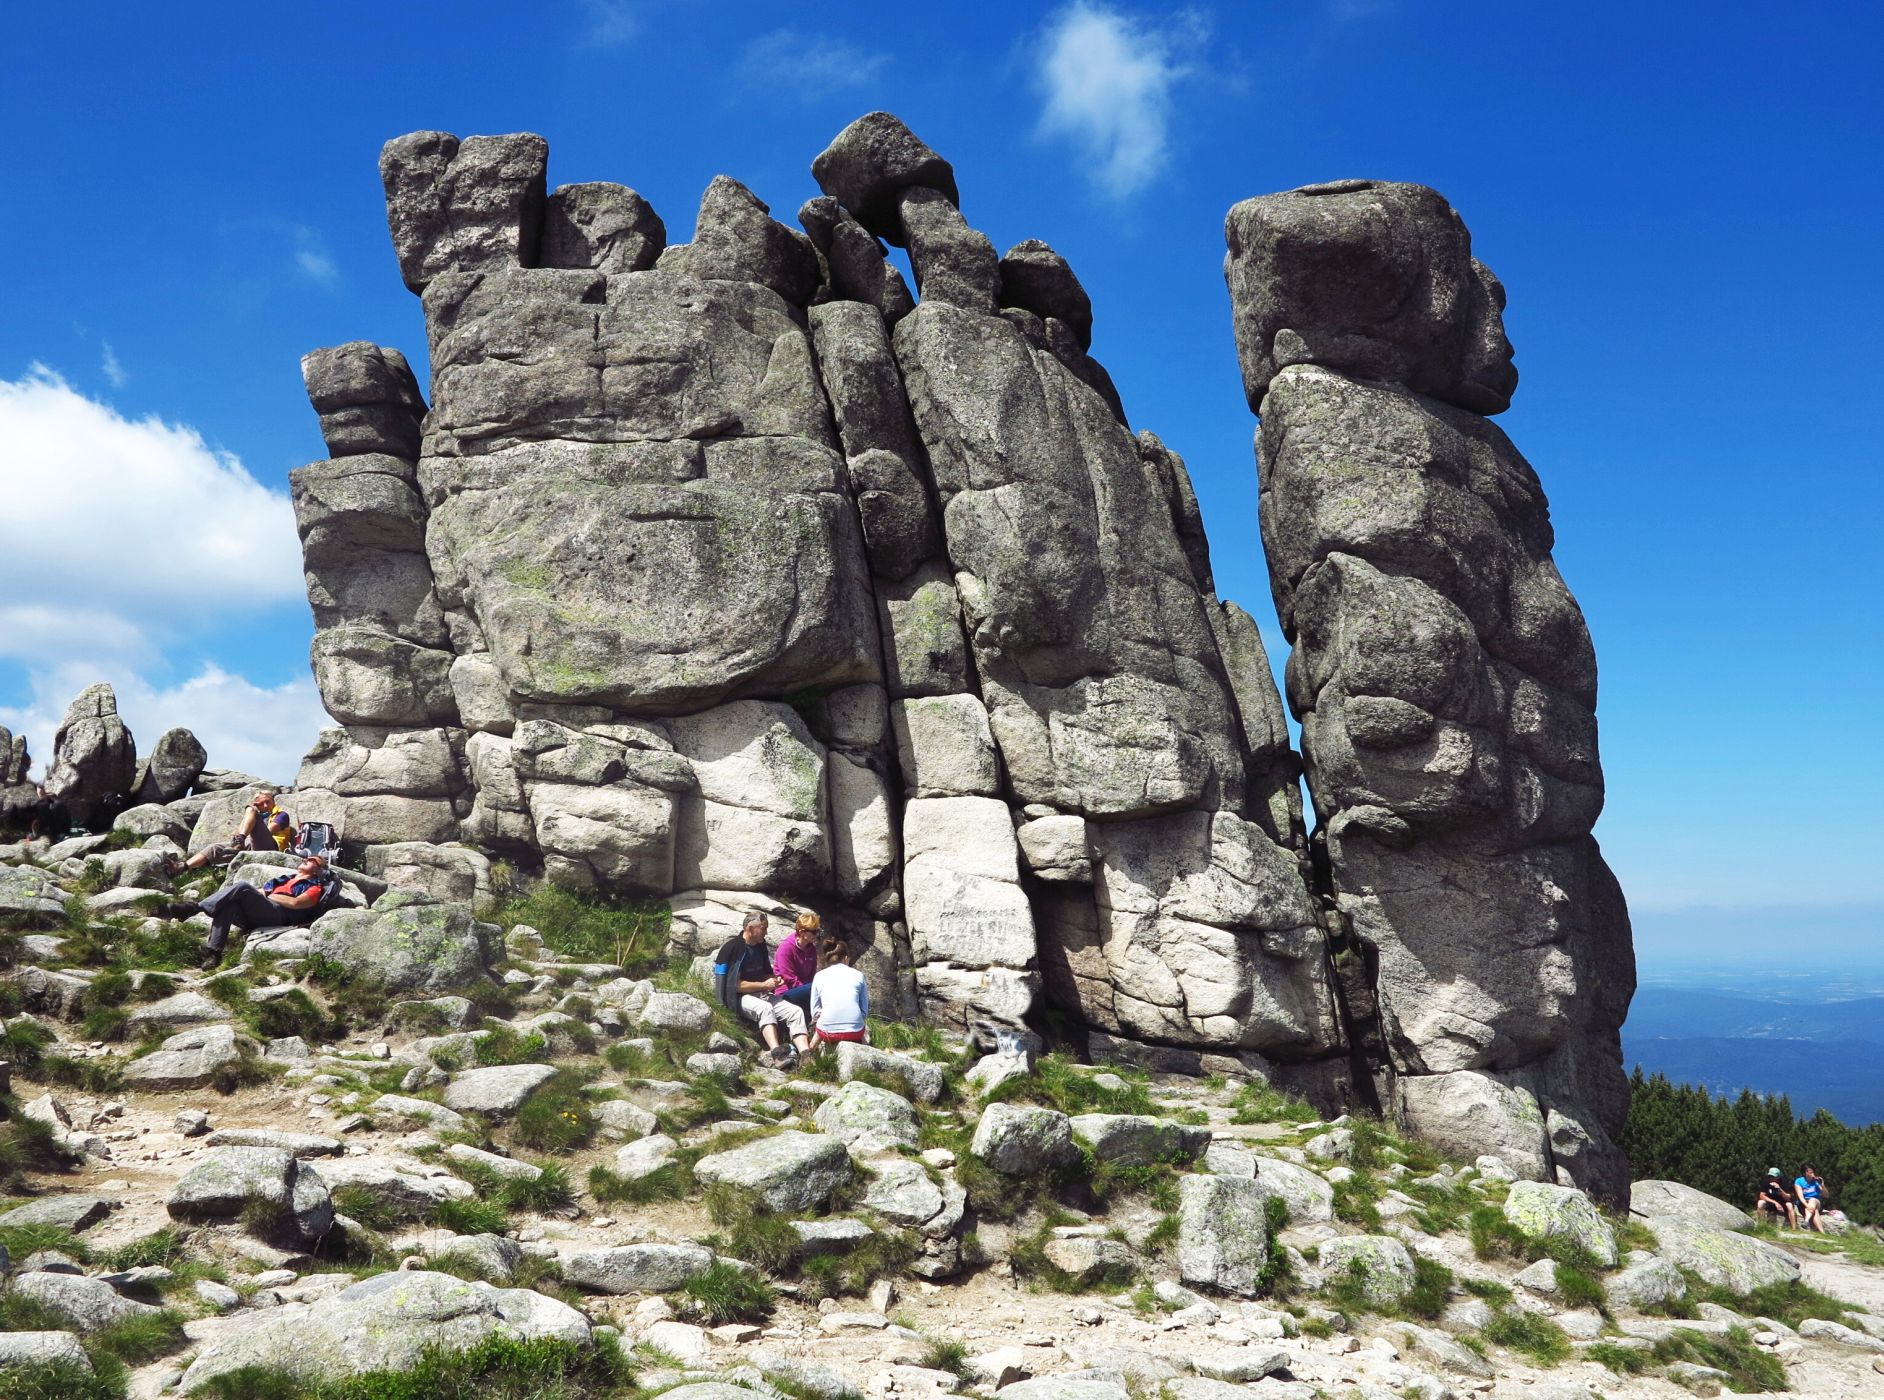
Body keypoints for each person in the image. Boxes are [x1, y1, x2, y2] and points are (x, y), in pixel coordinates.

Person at [190, 854, 336, 970]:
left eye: (311, 860)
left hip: (280, 915)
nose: (305, 859)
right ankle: (214, 953)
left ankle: (194, 909)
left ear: (318, 870)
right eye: (306, 857)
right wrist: (263, 894)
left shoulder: (315, 888)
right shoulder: (284, 880)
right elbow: (258, 892)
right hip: (263, 911)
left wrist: (269, 895)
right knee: (230, 904)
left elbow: (295, 903)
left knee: (242, 885)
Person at [712, 911, 811, 1068]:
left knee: (795, 1012)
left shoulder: (760, 946)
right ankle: (777, 1054)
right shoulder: (733, 948)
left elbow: (765, 972)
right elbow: (735, 985)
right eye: (763, 928)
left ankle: (806, 1055)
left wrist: (773, 979)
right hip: (739, 998)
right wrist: (764, 985)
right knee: (765, 1008)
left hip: (761, 993)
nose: (766, 932)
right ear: (751, 929)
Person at [172, 790, 285, 874]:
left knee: (250, 812)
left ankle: (239, 841)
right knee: (214, 848)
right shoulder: (253, 816)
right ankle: (181, 867)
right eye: (261, 803)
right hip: (250, 846)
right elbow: (241, 831)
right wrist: (249, 814)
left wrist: (252, 811)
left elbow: (270, 831)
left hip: (272, 848)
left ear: (273, 802)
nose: (265, 805)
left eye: (268, 802)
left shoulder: (282, 815)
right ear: (257, 803)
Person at [808, 936, 869, 1051]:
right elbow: (864, 1011)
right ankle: (866, 1048)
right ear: (846, 958)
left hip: (826, 1033)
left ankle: (809, 1051)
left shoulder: (819, 976)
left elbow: (815, 1013)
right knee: (859, 1026)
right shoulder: (858, 975)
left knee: (822, 1023)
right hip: (855, 1032)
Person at [771, 911, 821, 1011]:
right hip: (786, 992)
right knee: (816, 988)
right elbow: (789, 978)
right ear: (802, 932)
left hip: (805, 989)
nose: (816, 935)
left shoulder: (812, 949)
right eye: (814, 932)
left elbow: (812, 974)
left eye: (817, 931)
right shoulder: (786, 948)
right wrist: (808, 990)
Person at [1794, 1166, 1828, 1232]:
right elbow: (1800, 1197)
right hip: (1804, 1203)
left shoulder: (1816, 1182)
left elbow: (1826, 1195)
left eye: (1813, 1172)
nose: (1812, 1174)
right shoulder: (1799, 1181)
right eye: (1810, 1172)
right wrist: (1808, 1206)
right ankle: (1822, 1233)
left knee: (1812, 1200)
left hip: (1816, 1201)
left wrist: (1822, 1185)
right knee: (1814, 1211)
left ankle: (1806, 1221)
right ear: (1805, 1173)